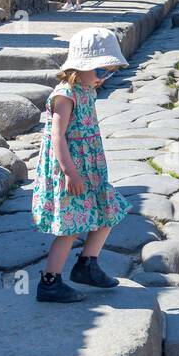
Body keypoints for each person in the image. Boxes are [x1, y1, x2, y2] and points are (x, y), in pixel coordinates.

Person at [32, 28, 132, 303]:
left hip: (90, 167)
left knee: (108, 208)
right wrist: (69, 172)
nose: (104, 78)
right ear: (81, 66)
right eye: (101, 71)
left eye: (109, 73)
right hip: (71, 168)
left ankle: (87, 264)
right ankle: (49, 282)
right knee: (71, 226)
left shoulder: (86, 89)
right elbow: (57, 136)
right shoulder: (65, 95)